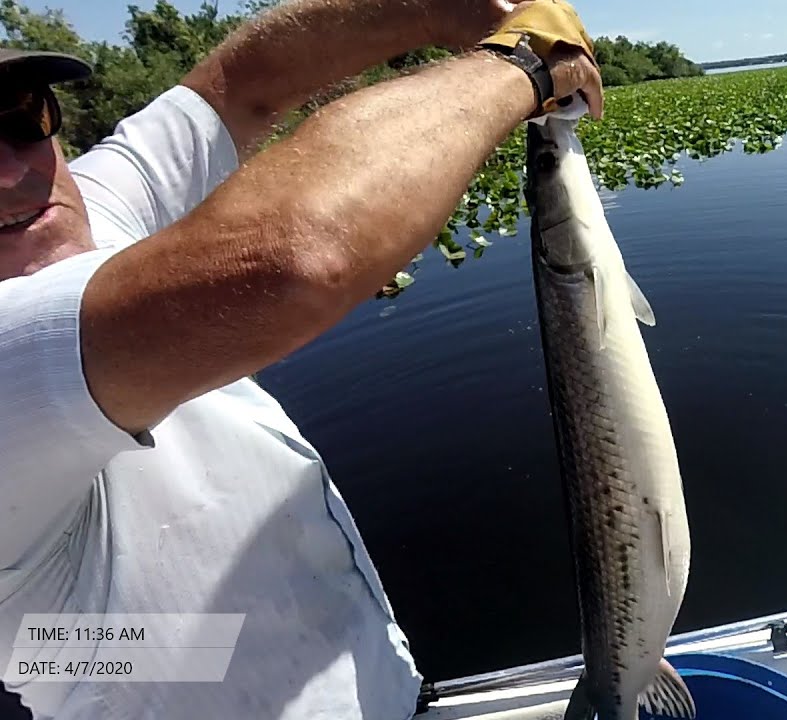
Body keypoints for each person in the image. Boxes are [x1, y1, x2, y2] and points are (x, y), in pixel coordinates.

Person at [0, 0, 603, 717]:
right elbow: (294, 257)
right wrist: (522, 63)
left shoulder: (80, 209)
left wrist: (451, 7)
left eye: (20, 117)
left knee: (97, 647)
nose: (12, 174)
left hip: (374, 691)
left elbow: (242, 82)